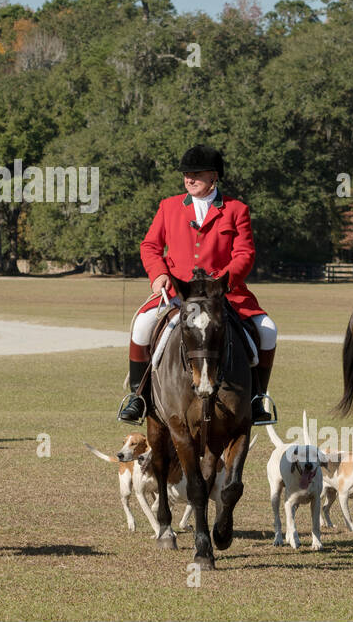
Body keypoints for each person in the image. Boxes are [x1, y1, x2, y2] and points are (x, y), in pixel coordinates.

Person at [117, 145, 278, 426]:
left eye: (197, 174)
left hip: (223, 292)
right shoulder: (168, 206)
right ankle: (137, 397)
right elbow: (150, 246)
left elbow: (245, 254)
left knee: (267, 331)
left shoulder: (236, 210)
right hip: (179, 291)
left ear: (214, 177)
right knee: (142, 325)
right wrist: (158, 275)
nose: (189, 179)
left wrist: (223, 283)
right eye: (186, 175)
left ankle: (257, 398)